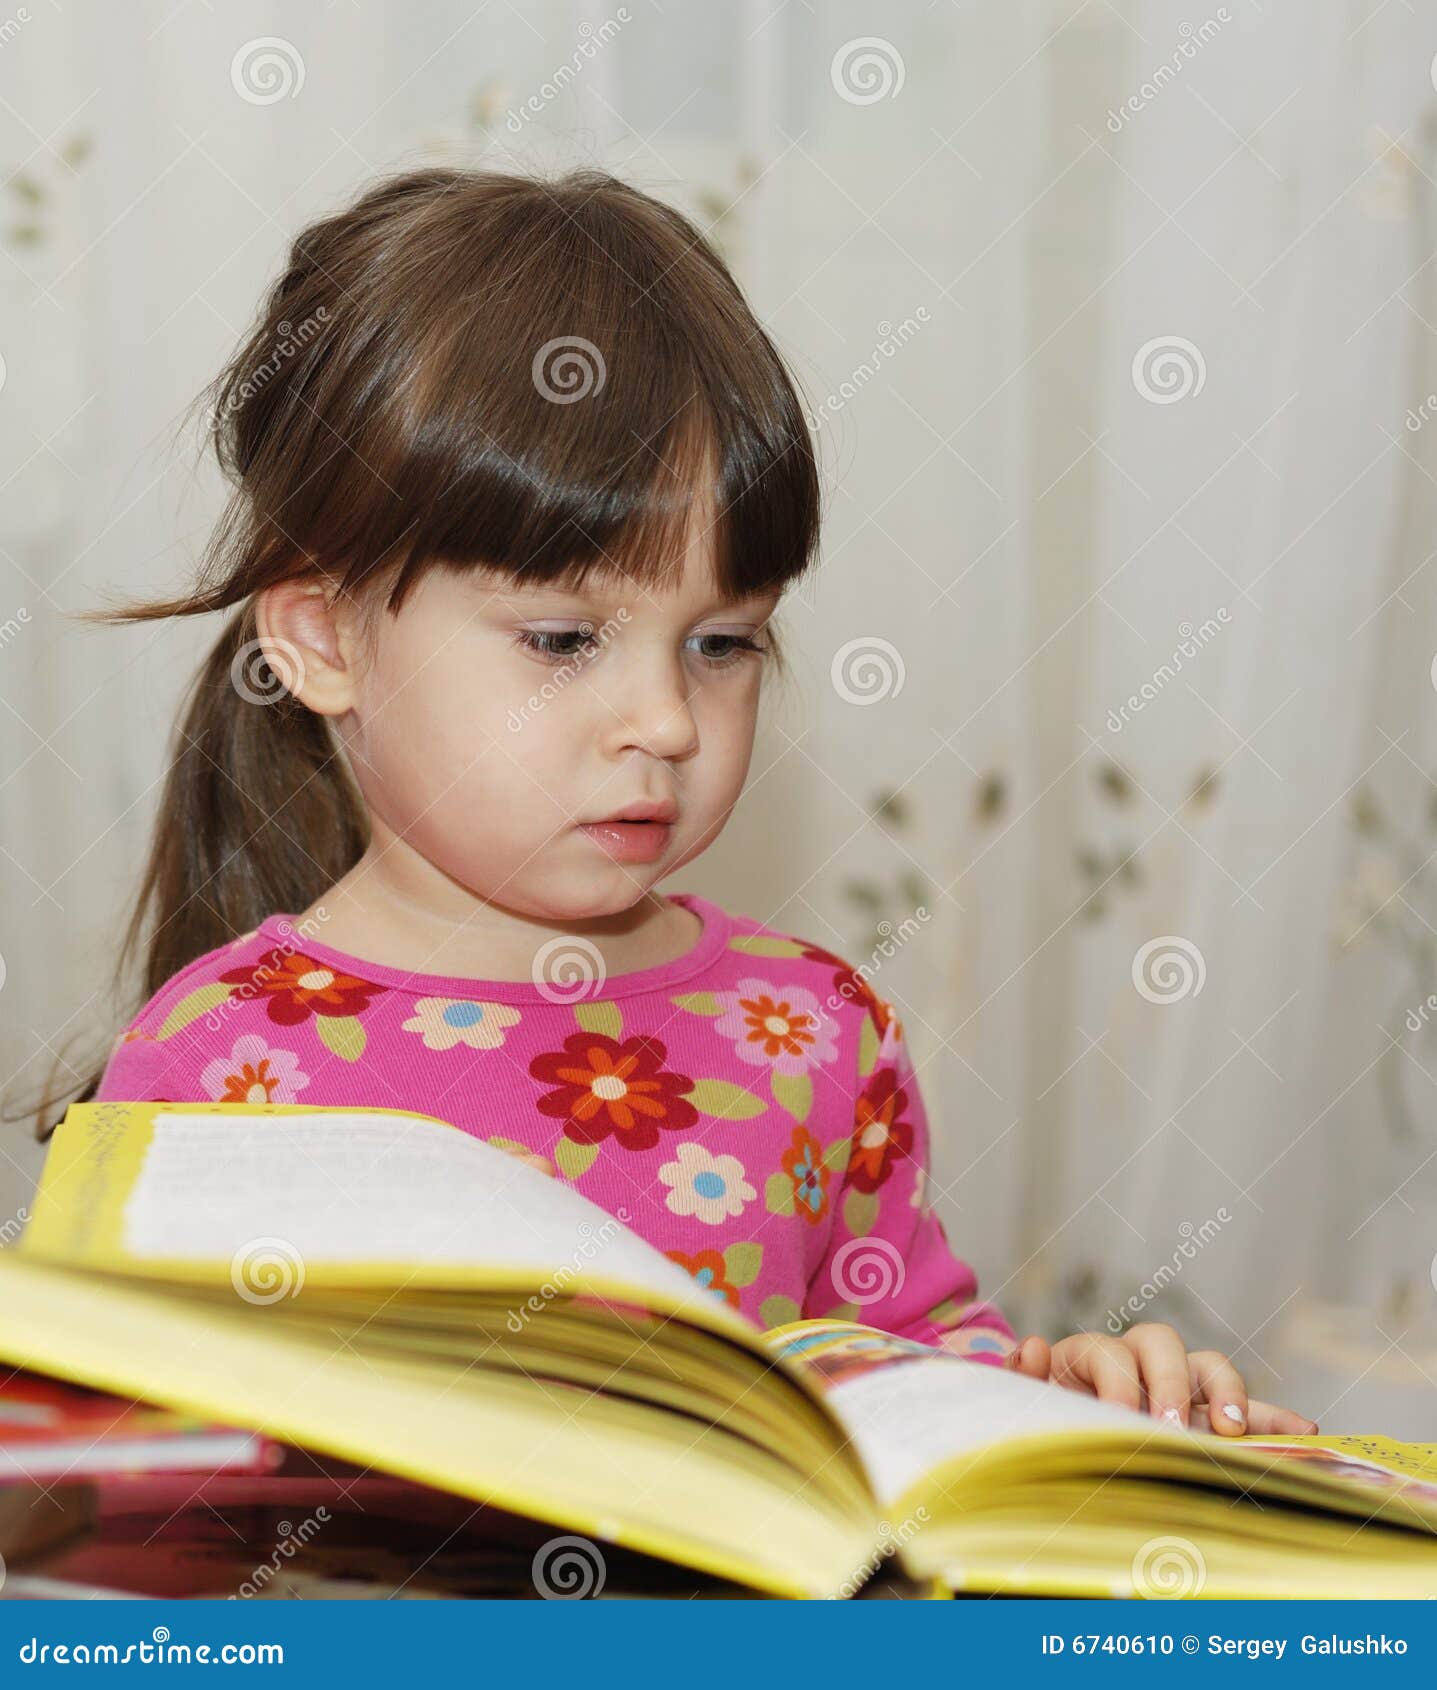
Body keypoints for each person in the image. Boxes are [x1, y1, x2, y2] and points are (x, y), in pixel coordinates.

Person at [48, 166, 1314, 1439]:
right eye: (560, 640)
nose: (665, 720)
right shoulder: (216, 1069)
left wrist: (1080, 1403)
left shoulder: (815, 1032)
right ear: (321, 643)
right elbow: (144, 1517)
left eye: (722, 644)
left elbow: (917, 1392)